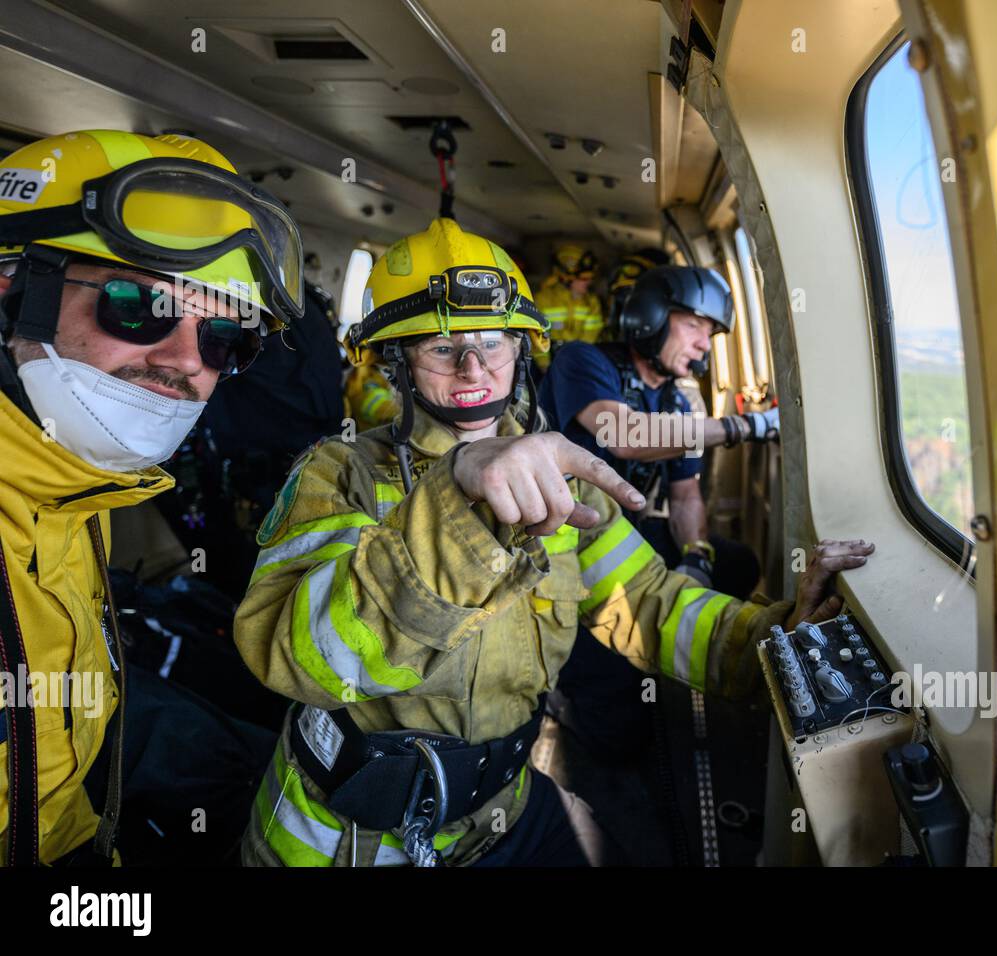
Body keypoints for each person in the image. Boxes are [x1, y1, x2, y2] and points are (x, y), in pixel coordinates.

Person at [233, 218, 872, 866]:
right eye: (442, 348)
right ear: (398, 361)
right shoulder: (335, 473)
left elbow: (649, 604)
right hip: (345, 836)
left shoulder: (561, 482)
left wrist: (783, 640)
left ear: (522, 352)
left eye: (494, 344)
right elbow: (295, 657)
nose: (473, 368)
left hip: (501, 806)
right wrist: (455, 498)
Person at [0, 128, 304, 866]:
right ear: (11, 294)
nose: (184, 364)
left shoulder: (80, 494)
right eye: (138, 306)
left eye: (223, 338)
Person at [536, 264, 780, 757]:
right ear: (649, 316)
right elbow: (622, 435)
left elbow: (687, 495)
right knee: (617, 732)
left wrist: (697, 555)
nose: (705, 345)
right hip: (561, 545)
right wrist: (743, 428)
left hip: (630, 534)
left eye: (710, 334)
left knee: (737, 564)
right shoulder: (582, 363)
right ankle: (565, 698)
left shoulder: (675, 405)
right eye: (695, 326)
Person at [532, 242, 602, 370]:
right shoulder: (543, 299)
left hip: (579, 361)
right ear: (566, 278)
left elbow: (589, 339)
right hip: (548, 362)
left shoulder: (592, 303)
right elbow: (536, 336)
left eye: (590, 278)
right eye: (584, 278)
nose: (589, 282)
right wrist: (544, 366)